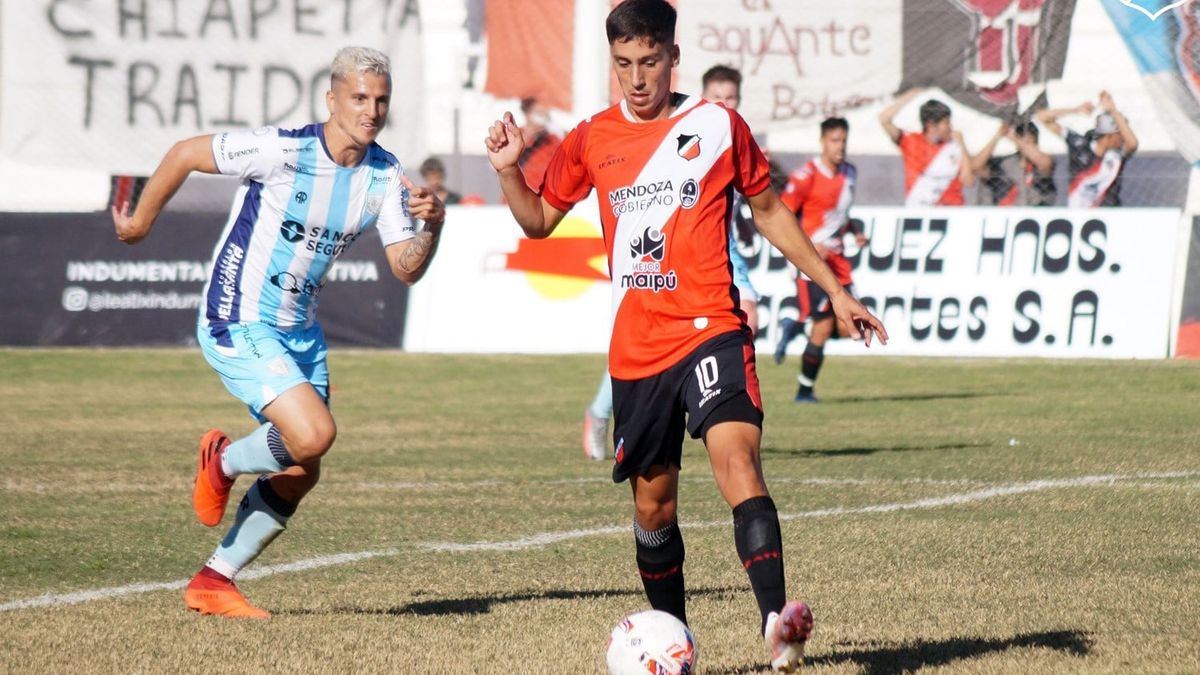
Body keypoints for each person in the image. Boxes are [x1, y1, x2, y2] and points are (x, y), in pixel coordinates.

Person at [484, 1, 887, 671]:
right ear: (611, 63)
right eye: (622, 65)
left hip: (712, 329)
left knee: (739, 460)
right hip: (638, 350)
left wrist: (837, 291)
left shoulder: (718, 125)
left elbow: (769, 212)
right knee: (654, 505)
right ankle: (672, 642)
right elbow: (539, 220)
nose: (636, 79)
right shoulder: (590, 139)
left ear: (673, 59)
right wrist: (505, 168)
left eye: (648, 62)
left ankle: (775, 622)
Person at [111, 46, 446, 618]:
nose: (372, 110)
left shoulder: (385, 176)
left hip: (300, 331)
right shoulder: (283, 149)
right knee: (314, 434)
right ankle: (221, 463)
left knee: (300, 469)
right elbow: (186, 152)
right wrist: (140, 222)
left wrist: (431, 227)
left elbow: (406, 269)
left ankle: (214, 581)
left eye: (381, 99)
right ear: (332, 97)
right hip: (237, 315)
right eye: (360, 97)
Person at [774, 117, 868, 404]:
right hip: (810, 261)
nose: (840, 147)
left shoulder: (850, 173)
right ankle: (804, 392)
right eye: (834, 141)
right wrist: (810, 245)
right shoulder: (806, 176)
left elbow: (841, 215)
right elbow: (781, 218)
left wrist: (856, 231)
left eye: (844, 141)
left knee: (852, 326)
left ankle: (795, 324)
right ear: (823, 142)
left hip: (838, 259)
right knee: (825, 325)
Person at [1036, 91, 1138, 207]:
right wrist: (1075, 110)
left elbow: (1133, 143)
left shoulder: (1116, 156)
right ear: (1109, 135)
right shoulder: (1079, 145)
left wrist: (1113, 111)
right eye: (1121, 135)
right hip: (1079, 216)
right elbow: (1042, 116)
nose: (1123, 139)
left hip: (1109, 215)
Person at [879, 88, 975, 206]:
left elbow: (968, 180)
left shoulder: (953, 145)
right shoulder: (910, 141)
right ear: (931, 125)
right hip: (920, 209)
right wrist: (910, 95)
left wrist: (961, 145)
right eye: (946, 123)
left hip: (951, 210)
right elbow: (884, 119)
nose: (951, 127)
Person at [971, 121, 1057, 206]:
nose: (1026, 146)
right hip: (1008, 210)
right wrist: (997, 137)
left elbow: (1043, 162)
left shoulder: (1043, 160)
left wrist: (1013, 138)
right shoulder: (1007, 162)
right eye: (1023, 141)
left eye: (1030, 143)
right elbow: (975, 167)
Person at [517, 96, 563, 191]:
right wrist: (528, 136)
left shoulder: (552, 139)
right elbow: (495, 167)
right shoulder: (516, 135)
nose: (541, 118)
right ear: (527, 113)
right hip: (520, 194)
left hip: (544, 194)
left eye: (544, 114)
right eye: (538, 114)